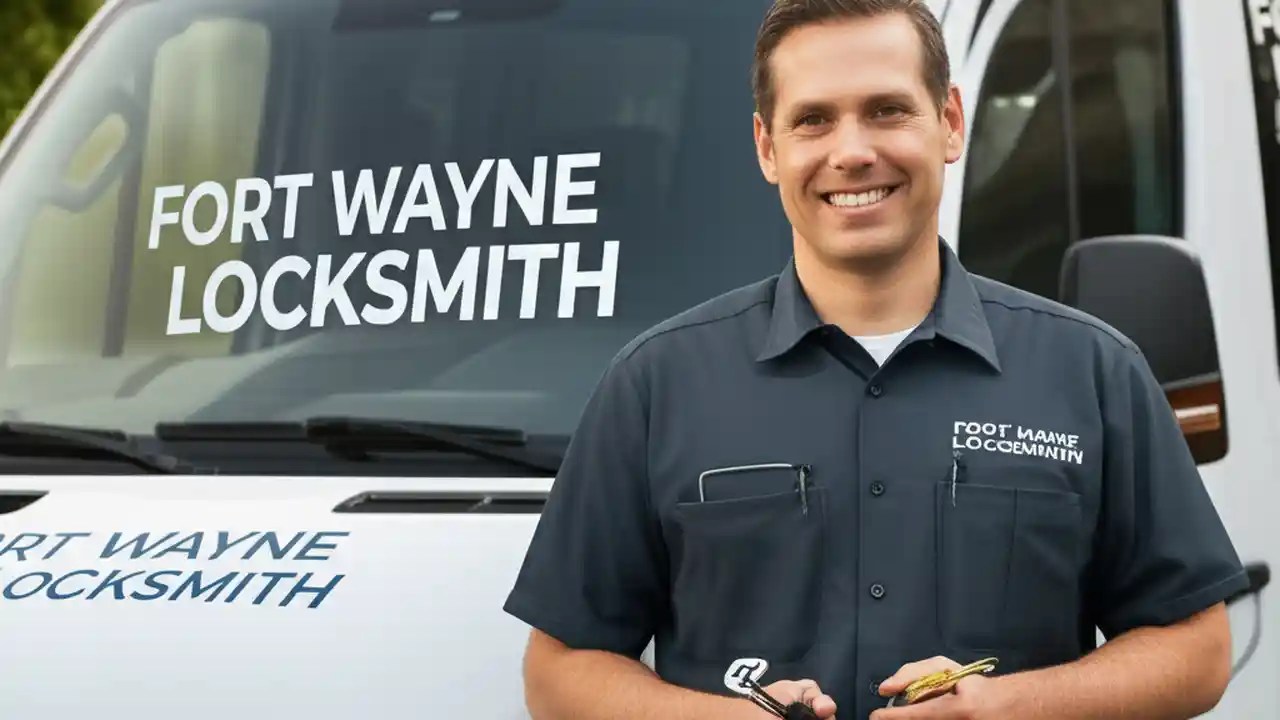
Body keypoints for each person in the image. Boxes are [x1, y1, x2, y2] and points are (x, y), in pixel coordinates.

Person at [502, 0, 1250, 718]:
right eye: (813, 120)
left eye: (887, 110)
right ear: (767, 148)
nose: (853, 152)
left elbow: (1196, 648)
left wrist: (1011, 707)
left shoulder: (1091, 372)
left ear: (949, 123)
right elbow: (559, 673)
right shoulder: (656, 385)